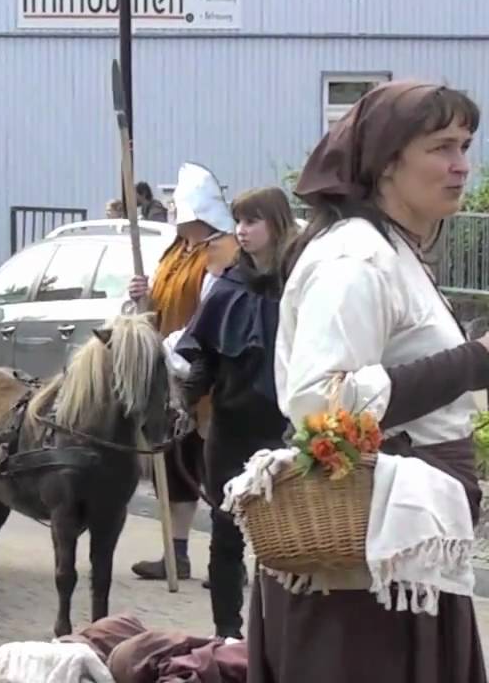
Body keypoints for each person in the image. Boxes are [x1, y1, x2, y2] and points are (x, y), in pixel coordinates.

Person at [254, 81, 487, 682]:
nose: (461, 165)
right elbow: (318, 401)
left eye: (465, 145)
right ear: (387, 162)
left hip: (404, 544)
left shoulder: (392, 249)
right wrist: (475, 361)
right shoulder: (355, 258)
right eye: (441, 147)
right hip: (363, 560)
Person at [173, 186, 296, 638]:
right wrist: (187, 398)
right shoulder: (227, 285)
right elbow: (206, 354)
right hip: (230, 426)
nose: (241, 231)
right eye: (239, 222)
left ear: (276, 224)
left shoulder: (301, 283)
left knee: (281, 541)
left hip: (285, 431)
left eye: (252, 222)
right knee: (225, 533)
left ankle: (278, 635)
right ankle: (227, 632)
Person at [126, 162, 239, 582]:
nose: (173, 210)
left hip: (206, 375)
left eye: (180, 204)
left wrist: (178, 354)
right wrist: (141, 293)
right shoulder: (177, 250)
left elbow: (212, 314)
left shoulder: (222, 252)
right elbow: (158, 302)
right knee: (175, 464)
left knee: (214, 467)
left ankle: (226, 556)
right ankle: (176, 553)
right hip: (172, 375)